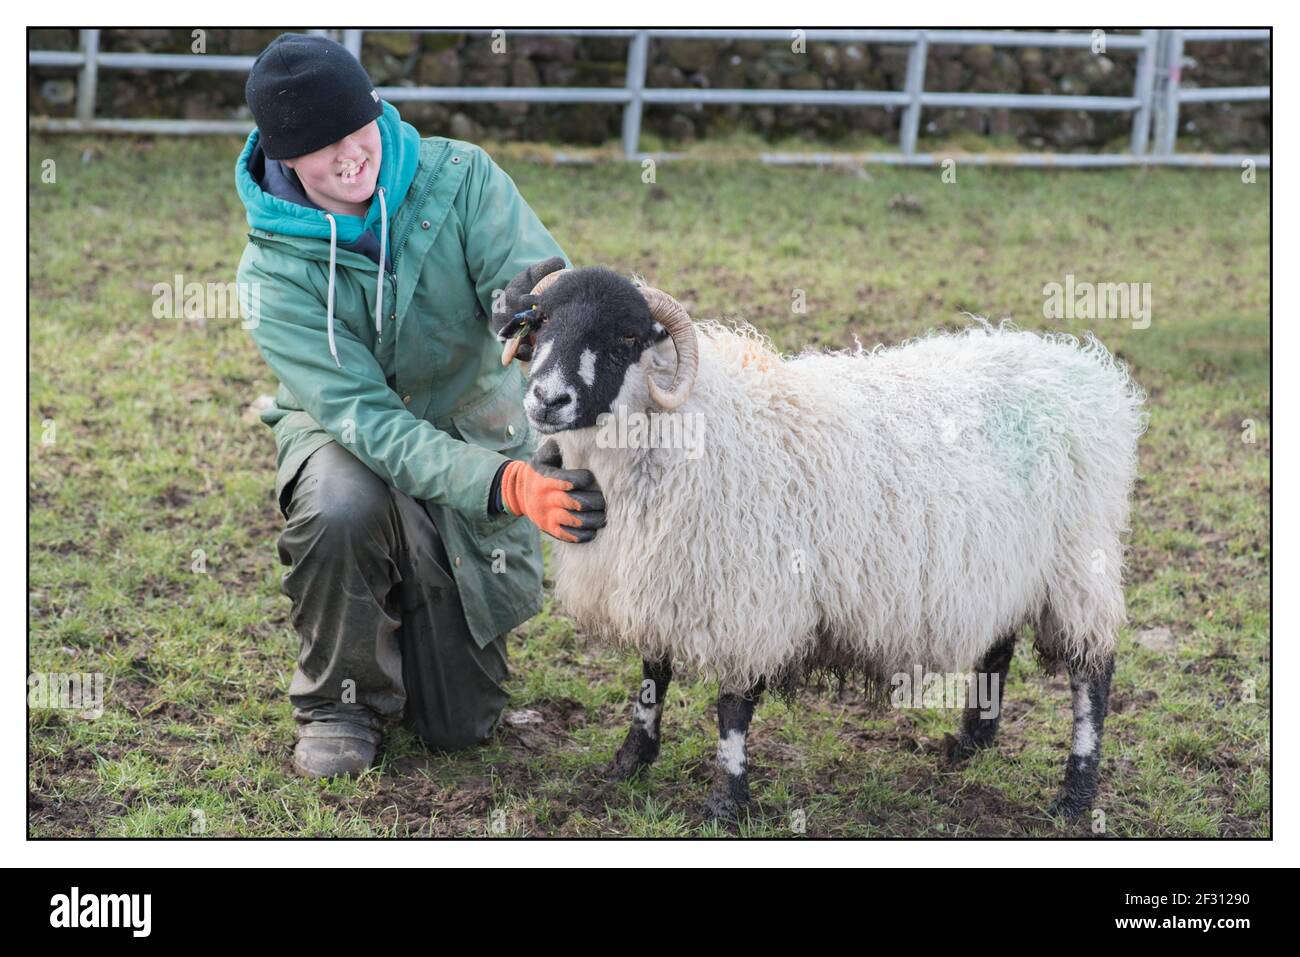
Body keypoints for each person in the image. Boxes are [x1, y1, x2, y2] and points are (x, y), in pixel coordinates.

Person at [234, 33, 605, 778]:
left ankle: (410, 611)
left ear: (376, 111)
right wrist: (509, 485)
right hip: (347, 436)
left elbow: (529, 287)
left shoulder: (462, 179)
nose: (349, 157)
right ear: (283, 157)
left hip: (470, 427)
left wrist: (536, 319)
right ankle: (341, 701)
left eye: (356, 130)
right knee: (344, 499)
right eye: (320, 147)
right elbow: (367, 419)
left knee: (461, 728)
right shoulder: (270, 272)